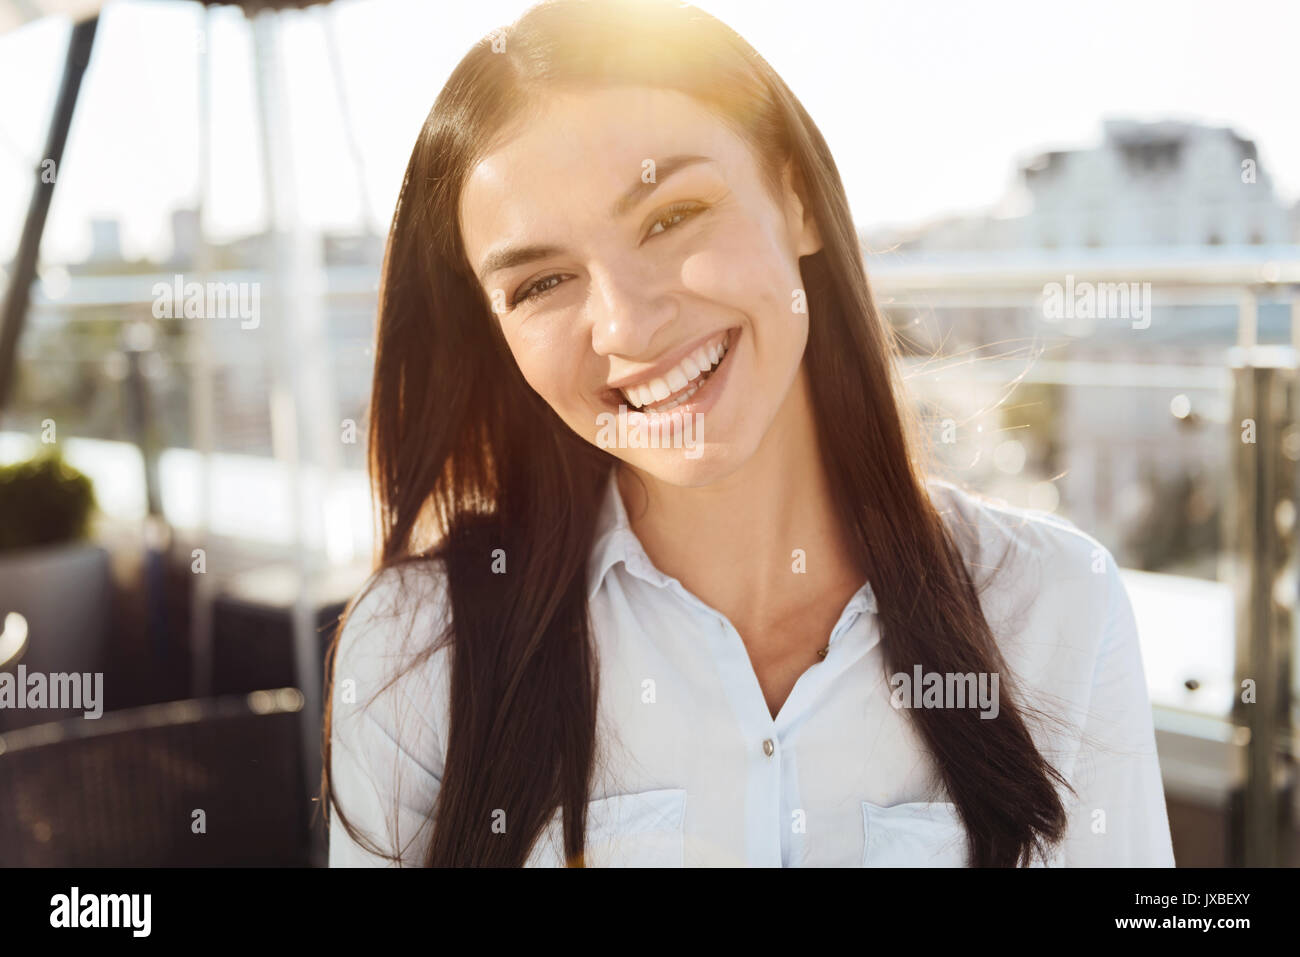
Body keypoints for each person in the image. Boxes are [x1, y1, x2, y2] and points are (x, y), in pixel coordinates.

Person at [323, 0, 1175, 867]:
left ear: (796, 197)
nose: (628, 325)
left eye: (669, 217)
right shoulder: (416, 654)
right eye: (543, 282)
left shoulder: (1057, 603)